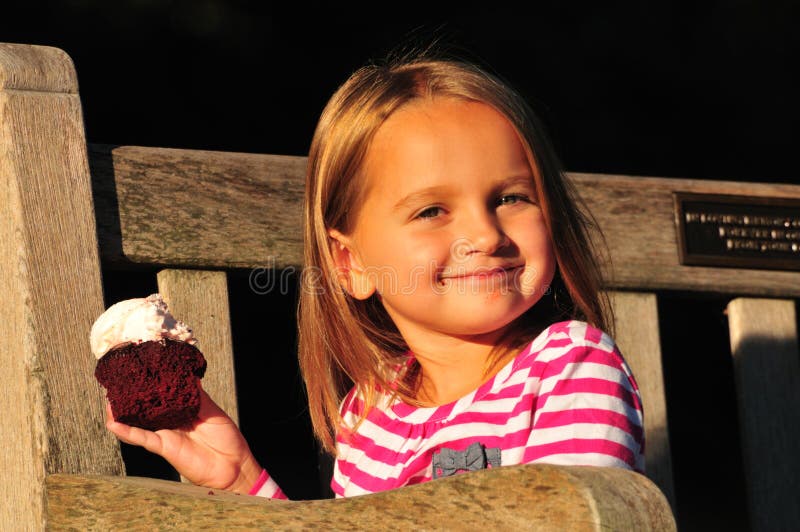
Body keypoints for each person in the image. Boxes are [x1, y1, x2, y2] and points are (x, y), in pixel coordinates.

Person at [105, 48, 645, 500]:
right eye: (432, 211)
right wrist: (243, 481)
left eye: (510, 198)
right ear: (351, 264)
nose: (485, 235)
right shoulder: (370, 413)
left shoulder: (569, 369)